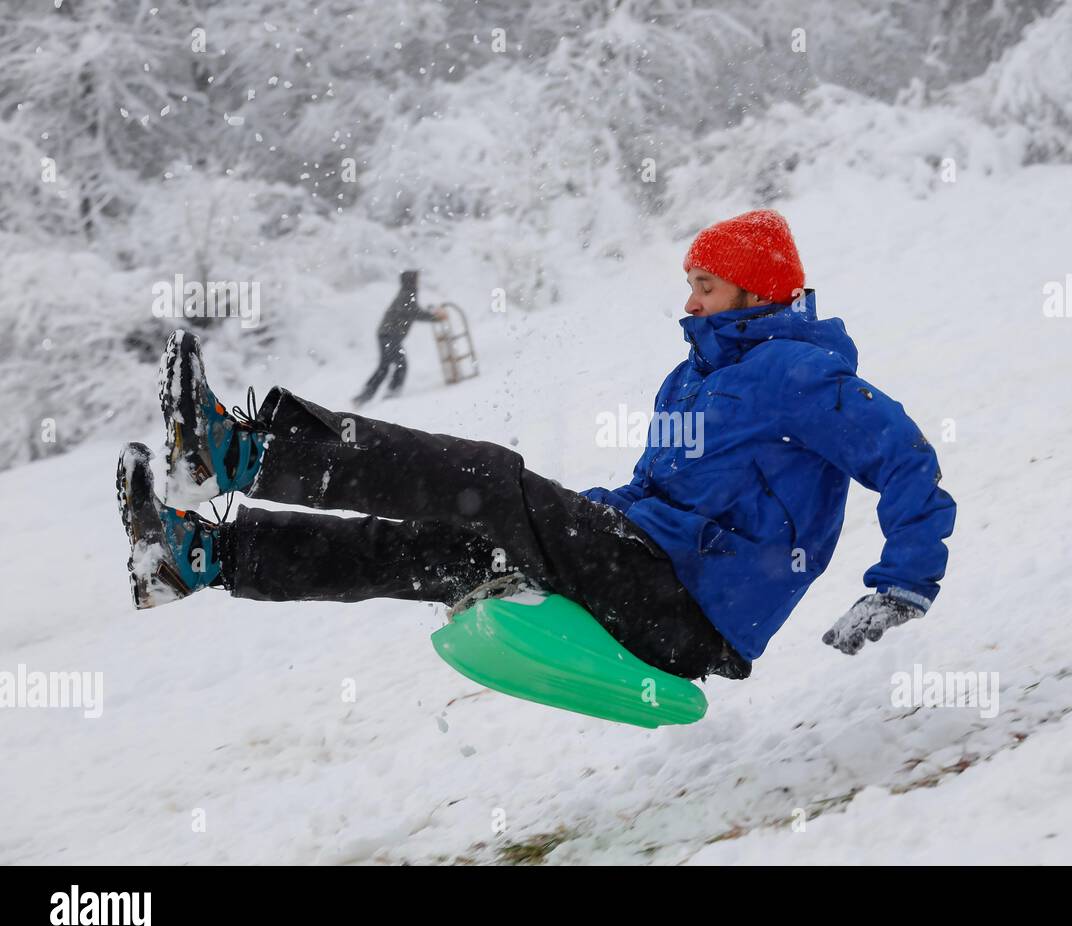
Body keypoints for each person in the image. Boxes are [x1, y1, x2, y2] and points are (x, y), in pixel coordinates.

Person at [116, 209, 956, 682]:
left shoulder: (796, 374)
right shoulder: (691, 378)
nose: (691, 301)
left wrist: (905, 584)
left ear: (753, 288)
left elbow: (906, 457)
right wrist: (587, 514)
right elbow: (652, 496)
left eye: (704, 284)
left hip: (691, 612)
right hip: (646, 567)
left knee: (484, 479)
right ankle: (205, 556)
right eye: (690, 284)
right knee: (439, 546)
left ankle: (240, 455)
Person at [353, 270, 445, 404]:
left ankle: (364, 396)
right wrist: (435, 318)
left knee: (384, 366)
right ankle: (391, 393)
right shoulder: (407, 294)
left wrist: (432, 315)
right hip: (390, 335)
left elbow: (413, 310)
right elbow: (415, 312)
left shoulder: (406, 293)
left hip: (386, 334)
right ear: (411, 281)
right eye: (416, 279)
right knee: (401, 364)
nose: (418, 282)